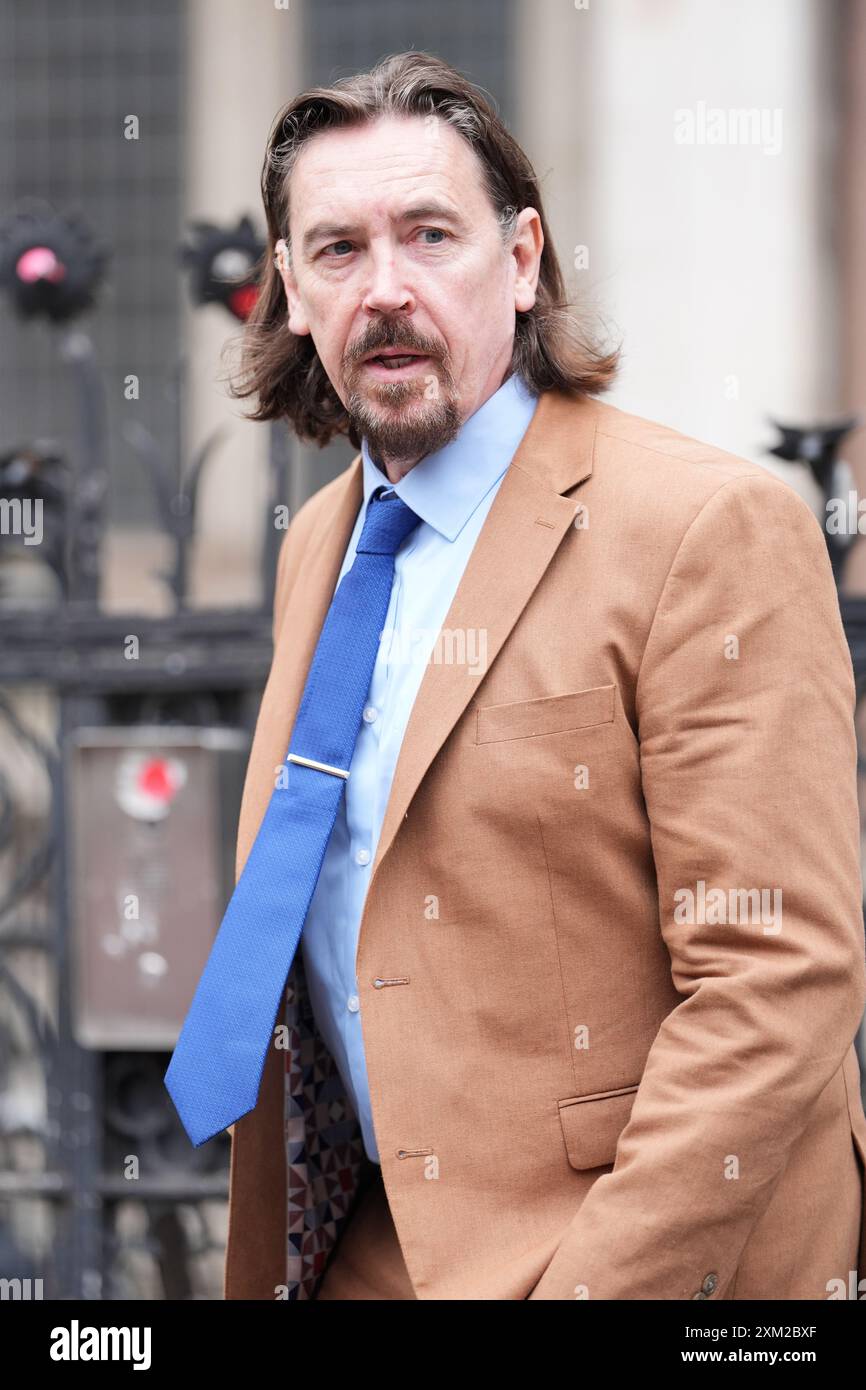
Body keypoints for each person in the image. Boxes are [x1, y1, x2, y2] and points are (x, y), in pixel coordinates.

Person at [167, 50, 866, 1301]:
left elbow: (774, 983)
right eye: (335, 251)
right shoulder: (321, 545)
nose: (384, 290)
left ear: (524, 255)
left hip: (629, 1259)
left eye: (429, 234)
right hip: (362, 1244)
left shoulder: (705, 530)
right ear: (287, 289)